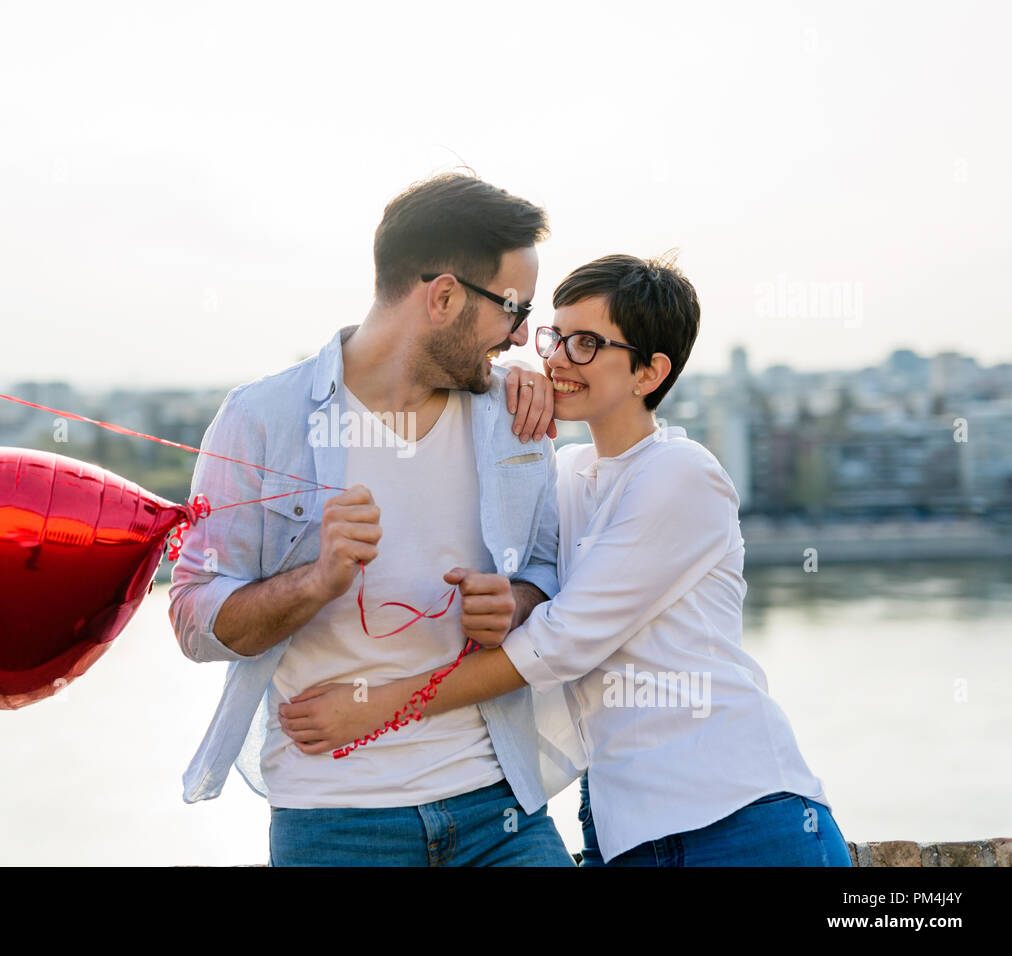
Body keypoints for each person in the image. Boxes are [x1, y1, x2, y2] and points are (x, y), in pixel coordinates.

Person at [279, 253, 854, 867]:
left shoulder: (681, 475)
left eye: (585, 344)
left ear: (648, 373)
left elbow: (557, 644)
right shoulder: (568, 474)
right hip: (623, 831)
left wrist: (375, 705)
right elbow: (532, 577)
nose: (557, 358)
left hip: (740, 818)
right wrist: (516, 375)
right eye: (555, 337)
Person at [168, 172, 576, 866]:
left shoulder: (517, 415)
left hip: (498, 806)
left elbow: (547, 570)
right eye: (513, 309)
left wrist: (517, 601)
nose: (519, 337)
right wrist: (316, 581)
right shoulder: (261, 420)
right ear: (444, 296)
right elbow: (193, 620)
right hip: (335, 824)